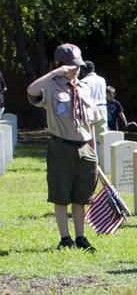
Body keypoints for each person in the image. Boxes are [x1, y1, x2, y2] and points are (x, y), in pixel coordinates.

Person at [26, 43, 98, 251]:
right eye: (70, 67)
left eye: (77, 66)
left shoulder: (84, 88)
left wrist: (94, 151)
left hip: (85, 148)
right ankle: (64, 238)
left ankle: (81, 236)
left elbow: (90, 123)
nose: (75, 70)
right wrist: (55, 73)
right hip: (61, 146)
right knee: (61, 194)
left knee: (81, 195)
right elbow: (31, 90)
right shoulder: (50, 87)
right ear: (59, 66)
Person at [79, 61, 108, 142]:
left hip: (91, 108)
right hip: (103, 108)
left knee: (90, 136)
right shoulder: (102, 79)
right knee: (103, 136)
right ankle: (104, 154)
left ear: (83, 70)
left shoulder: (83, 81)